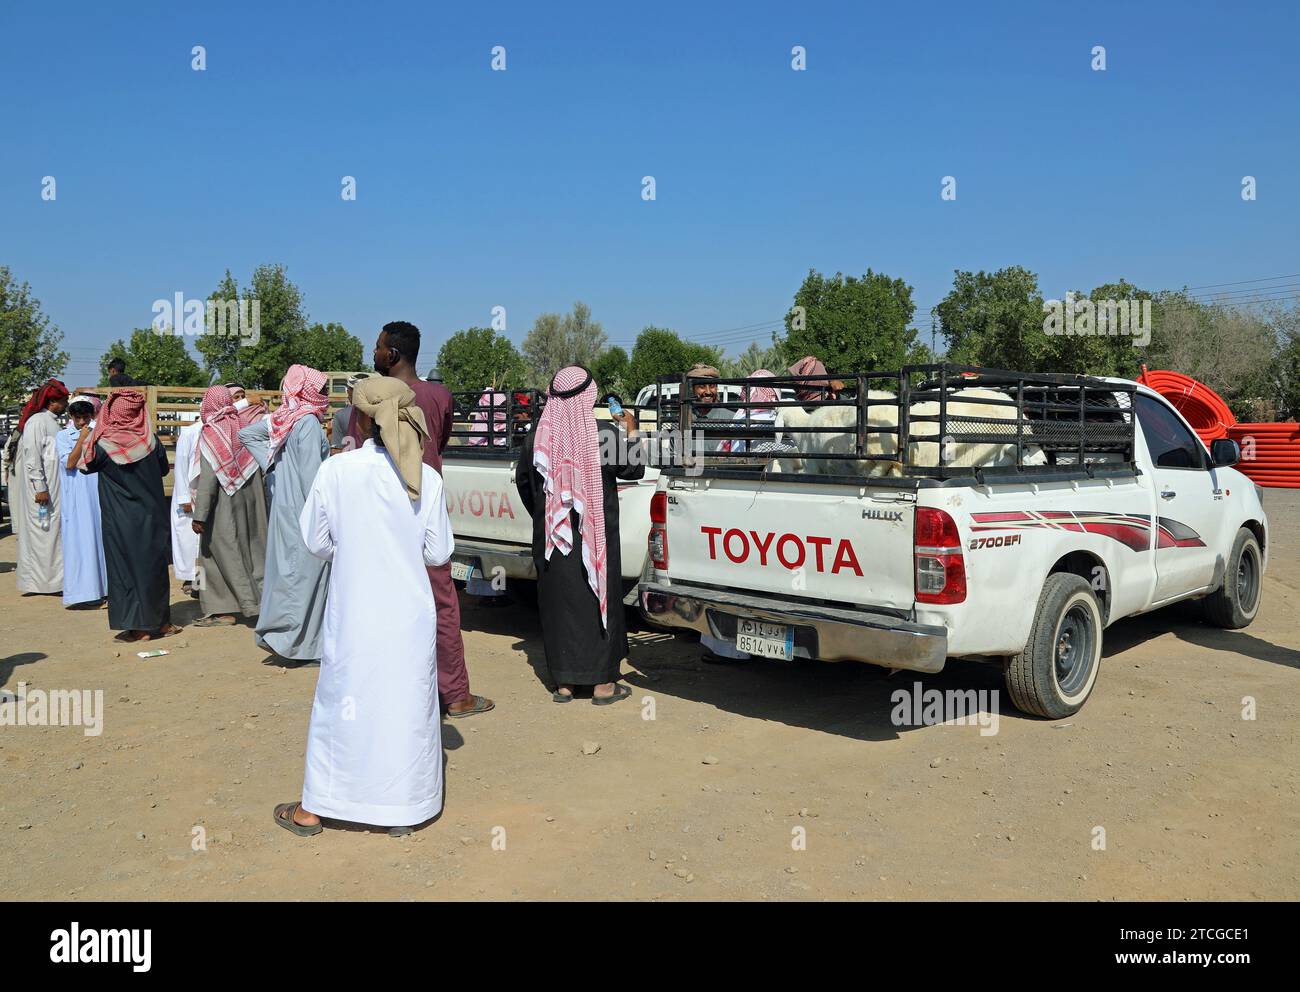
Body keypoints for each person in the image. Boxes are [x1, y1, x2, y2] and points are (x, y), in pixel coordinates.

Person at [275, 376, 452, 837]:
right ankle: (404, 810)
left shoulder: (336, 471)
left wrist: (354, 549)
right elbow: (437, 553)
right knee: (404, 704)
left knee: (342, 704)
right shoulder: (426, 478)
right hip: (408, 619)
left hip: (353, 615)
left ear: (362, 419)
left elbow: (315, 541)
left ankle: (315, 810)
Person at [374, 321, 493, 719]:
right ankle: (455, 694)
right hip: (427, 511)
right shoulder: (439, 395)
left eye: (377, 348)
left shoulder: (372, 399)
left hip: (385, 516)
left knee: (385, 601)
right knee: (441, 603)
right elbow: (436, 446)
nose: (374, 354)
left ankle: (396, 695)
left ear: (392, 354)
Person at [515, 366, 644, 704]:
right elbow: (635, 468)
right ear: (589, 395)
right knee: (597, 596)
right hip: (596, 538)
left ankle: (565, 684)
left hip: (553, 541)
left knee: (560, 605)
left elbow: (525, 485)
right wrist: (631, 429)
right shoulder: (604, 435)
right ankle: (602, 685)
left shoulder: (537, 438)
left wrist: (549, 518)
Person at [239, 365, 331, 661]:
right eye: (322, 389)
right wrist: (324, 517)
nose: (326, 394)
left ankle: (284, 638)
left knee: (287, 573)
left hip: (284, 506)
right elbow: (310, 477)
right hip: (303, 510)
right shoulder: (306, 423)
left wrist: (274, 470)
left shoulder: (285, 418)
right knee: (304, 575)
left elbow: (247, 435)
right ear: (308, 391)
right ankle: (293, 643)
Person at [77, 389, 181, 641]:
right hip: (151, 517)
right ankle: (160, 623)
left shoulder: (102, 445)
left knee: (124, 569)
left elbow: (85, 467)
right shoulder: (151, 441)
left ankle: (137, 627)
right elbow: (162, 471)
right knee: (153, 567)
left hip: (119, 520)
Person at [190, 384, 268, 627]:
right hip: (251, 503)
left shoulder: (212, 432)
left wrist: (200, 515)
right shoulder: (245, 427)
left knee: (213, 558)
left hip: (222, 506)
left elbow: (208, 478)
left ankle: (222, 610)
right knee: (253, 553)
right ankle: (261, 603)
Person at [13, 378, 69, 595]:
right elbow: (32, 458)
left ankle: (54, 583)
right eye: (63, 401)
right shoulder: (37, 422)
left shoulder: (53, 421)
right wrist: (40, 488)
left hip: (54, 487)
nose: (65, 404)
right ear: (52, 401)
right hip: (42, 490)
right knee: (42, 535)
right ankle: (42, 584)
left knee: (53, 535)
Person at [56, 395, 108, 607]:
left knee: (100, 541)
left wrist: (90, 436)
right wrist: (81, 439)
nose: (82, 423)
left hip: (96, 493)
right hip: (77, 498)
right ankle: (82, 594)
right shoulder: (63, 436)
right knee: (80, 543)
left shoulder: (98, 434)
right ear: (71, 417)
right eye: (78, 418)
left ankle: (104, 590)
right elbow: (69, 462)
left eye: (85, 418)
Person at [170, 417, 203, 594]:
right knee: (190, 543)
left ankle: (200, 586)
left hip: (205, 495)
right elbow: (181, 467)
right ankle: (193, 582)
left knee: (201, 545)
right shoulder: (190, 433)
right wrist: (185, 498)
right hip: (189, 496)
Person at [331, 372, 371, 454]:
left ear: (351, 392)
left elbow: (336, 450)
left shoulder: (340, 415)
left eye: (348, 390)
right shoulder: (379, 413)